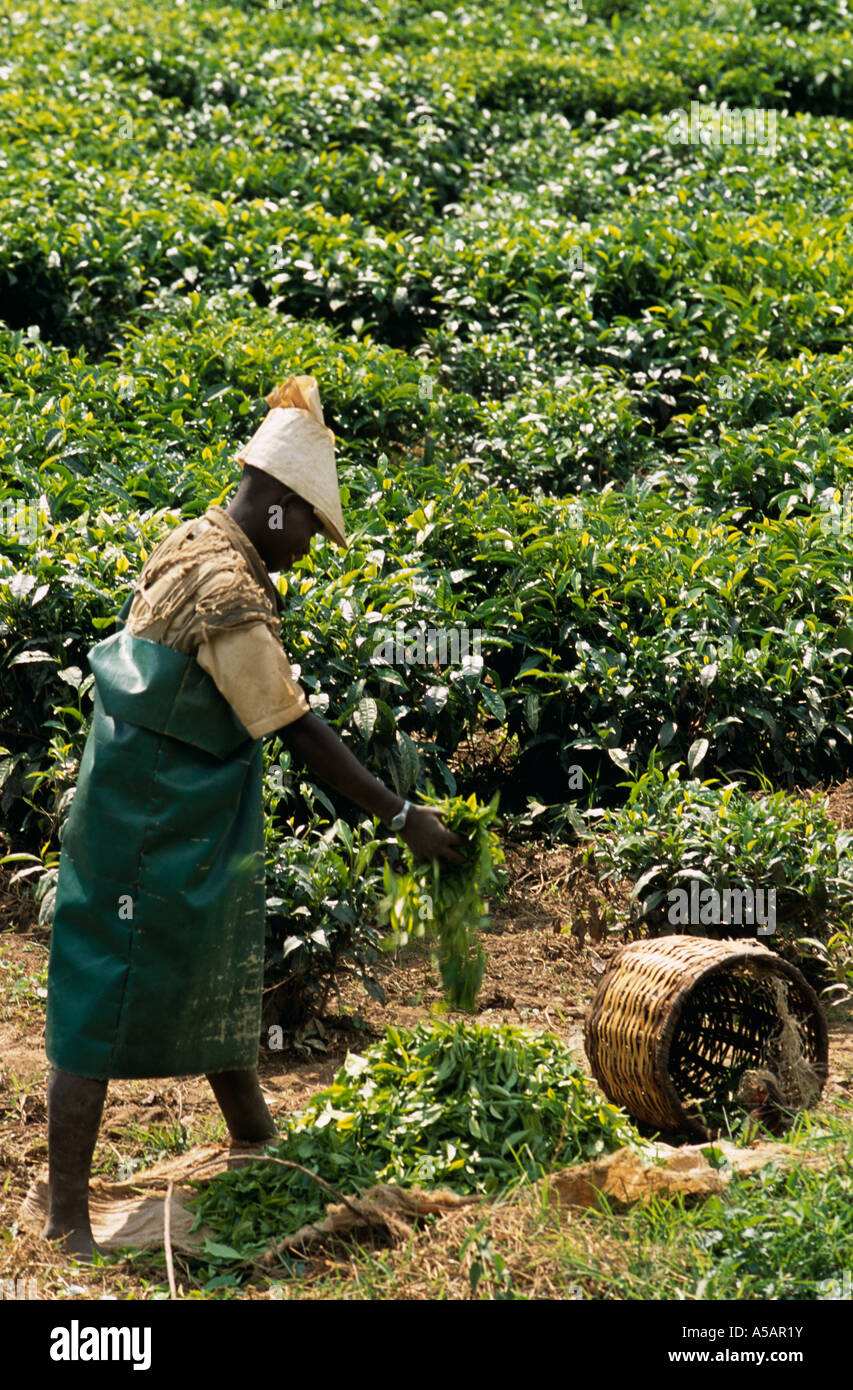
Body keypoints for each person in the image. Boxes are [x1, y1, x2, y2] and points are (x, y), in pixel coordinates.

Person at [43, 374, 464, 1261]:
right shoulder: (229, 591)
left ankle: (253, 1134)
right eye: (309, 524)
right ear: (276, 506)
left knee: (214, 952)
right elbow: (296, 728)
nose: (310, 545)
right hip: (146, 815)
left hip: (168, 802)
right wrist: (400, 817)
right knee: (99, 993)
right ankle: (67, 1219)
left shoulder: (195, 537)